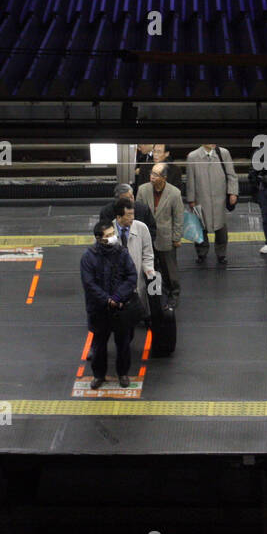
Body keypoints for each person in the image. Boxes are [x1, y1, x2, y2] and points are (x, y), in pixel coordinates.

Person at [80, 219, 138, 389]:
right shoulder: (89, 257)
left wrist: (117, 298)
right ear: (99, 238)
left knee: (124, 344)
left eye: (113, 233)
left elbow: (131, 276)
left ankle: (123, 373)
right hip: (99, 309)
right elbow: (89, 284)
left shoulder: (122, 253)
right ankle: (99, 375)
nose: (113, 237)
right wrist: (107, 300)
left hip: (120, 308)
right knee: (98, 346)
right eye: (109, 235)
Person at [133, 163, 184, 301]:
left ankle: (173, 294)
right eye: (152, 173)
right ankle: (154, 295)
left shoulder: (174, 193)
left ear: (164, 178)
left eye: (156, 175)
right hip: (147, 237)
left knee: (169, 270)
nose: (152, 177)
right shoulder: (143, 190)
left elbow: (178, 217)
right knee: (150, 269)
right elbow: (138, 213)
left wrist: (176, 237)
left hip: (165, 238)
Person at [185, 143, 238, 266]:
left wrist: (233, 192)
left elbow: (231, 175)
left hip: (220, 198)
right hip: (201, 198)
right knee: (200, 227)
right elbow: (190, 180)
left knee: (221, 228)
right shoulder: (193, 157)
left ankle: (221, 254)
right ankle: (201, 253)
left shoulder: (223, 153)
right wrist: (191, 199)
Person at [113, 197, 155, 303]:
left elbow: (148, 253)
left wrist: (149, 270)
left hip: (138, 278)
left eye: (133, 214)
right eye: (128, 215)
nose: (132, 217)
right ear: (119, 217)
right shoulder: (108, 231)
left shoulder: (142, 228)